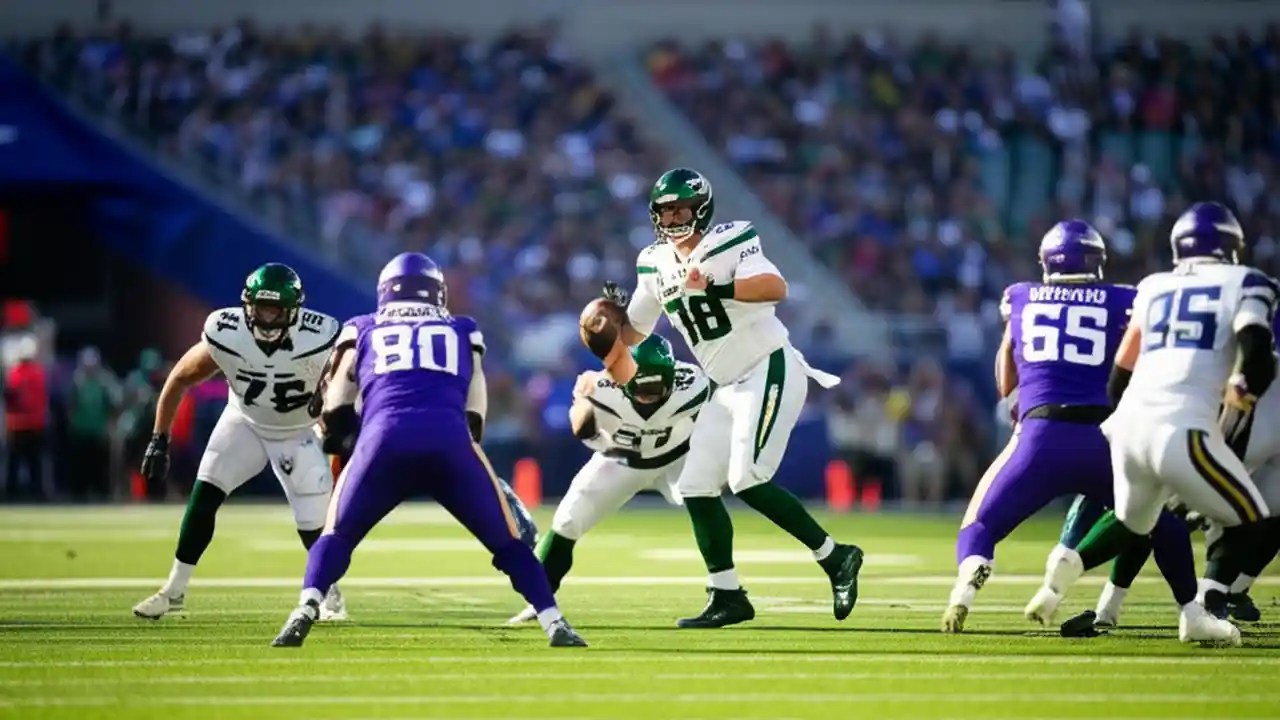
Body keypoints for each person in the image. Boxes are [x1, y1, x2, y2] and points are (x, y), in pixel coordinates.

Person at [586, 167, 862, 628]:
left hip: (768, 365)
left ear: (701, 209)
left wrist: (716, 284)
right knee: (694, 486)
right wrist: (604, 330)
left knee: (748, 478)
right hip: (725, 385)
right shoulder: (653, 263)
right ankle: (728, 595)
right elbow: (635, 332)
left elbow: (777, 287)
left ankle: (836, 557)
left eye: (681, 208)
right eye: (665, 210)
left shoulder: (732, 240)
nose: (673, 217)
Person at [271, 252, 585, 648]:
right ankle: (554, 621)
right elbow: (475, 415)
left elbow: (335, 408)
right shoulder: (463, 330)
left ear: (385, 290)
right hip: (449, 441)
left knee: (336, 536)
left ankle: (305, 609)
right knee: (508, 542)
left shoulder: (362, 328)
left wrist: (336, 440)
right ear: (438, 292)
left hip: (382, 440)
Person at [1028, 202, 1275, 647]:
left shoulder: (1154, 286)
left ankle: (1068, 572)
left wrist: (1134, 419)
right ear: (1231, 248)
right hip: (1182, 427)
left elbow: (1121, 372)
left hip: (1128, 425)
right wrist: (1242, 388)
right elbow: (1256, 348)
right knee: (1255, 516)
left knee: (1140, 521)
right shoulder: (1247, 282)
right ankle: (1212, 602)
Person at [941, 220, 1197, 633]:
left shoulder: (1022, 296)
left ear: (1046, 262)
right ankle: (1192, 611)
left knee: (980, 523)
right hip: (1103, 438)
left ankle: (966, 585)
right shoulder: (1126, 300)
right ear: (1097, 261)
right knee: (1159, 519)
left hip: (1040, 435)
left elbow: (1007, 352)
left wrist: (1011, 402)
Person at [132, 263, 346, 622]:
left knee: (312, 526)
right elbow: (180, 378)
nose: (265, 318)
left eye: (275, 310)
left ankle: (331, 593)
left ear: (294, 311)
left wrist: (334, 418)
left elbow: (348, 384)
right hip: (244, 422)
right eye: (260, 308)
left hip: (298, 431)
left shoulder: (321, 337)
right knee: (204, 495)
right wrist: (159, 439)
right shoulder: (227, 332)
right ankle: (174, 590)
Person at [508, 334, 711, 624]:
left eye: (654, 387)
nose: (646, 396)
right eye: (639, 388)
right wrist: (582, 403)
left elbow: (721, 415)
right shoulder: (600, 387)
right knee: (567, 520)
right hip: (621, 458)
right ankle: (540, 600)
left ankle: (725, 586)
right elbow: (584, 431)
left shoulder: (693, 382)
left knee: (709, 499)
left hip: (678, 457)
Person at [3, 336, 47, 500]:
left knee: (15, 463)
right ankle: (37, 493)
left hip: (17, 425)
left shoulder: (15, 372)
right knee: (33, 463)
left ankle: (11, 493)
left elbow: (11, 397)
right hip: (33, 424)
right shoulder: (38, 373)